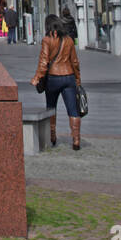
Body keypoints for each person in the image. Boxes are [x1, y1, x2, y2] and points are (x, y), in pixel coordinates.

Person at [31, 13, 83, 150]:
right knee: (73, 109)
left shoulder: (47, 40)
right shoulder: (69, 40)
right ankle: (76, 140)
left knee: (51, 106)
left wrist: (37, 77)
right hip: (69, 76)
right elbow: (75, 62)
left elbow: (44, 61)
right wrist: (77, 79)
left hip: (53, 78)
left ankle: (52, 136)